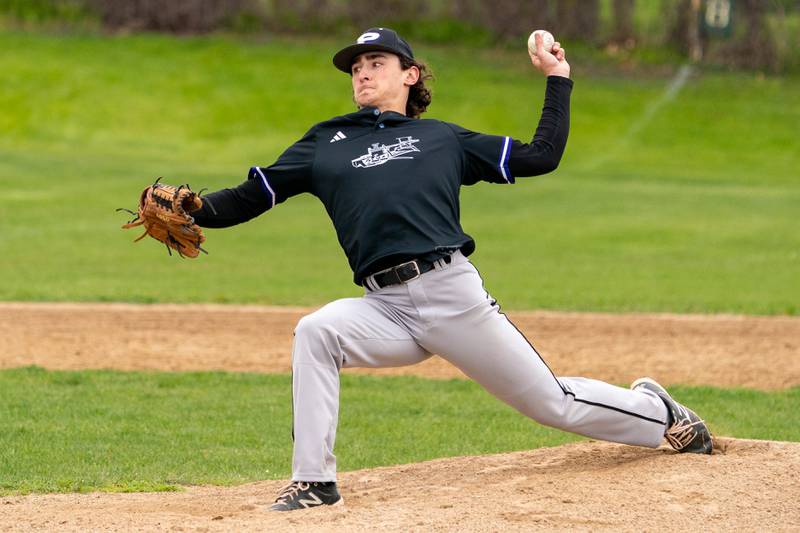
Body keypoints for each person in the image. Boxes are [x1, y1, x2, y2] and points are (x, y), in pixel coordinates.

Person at [191, 27, 713, 512]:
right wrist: (193, 209)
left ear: (410, 74)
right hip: (385, 308)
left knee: (553, 404)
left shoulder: (442, 139)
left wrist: (558, 80)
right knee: (317, 331)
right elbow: (247, 198)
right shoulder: (325, 143)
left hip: (452, 296)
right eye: (355, 68)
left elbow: (540, 156)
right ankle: (315, 483)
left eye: (376, 62)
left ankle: (661, 412)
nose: (363, 74)